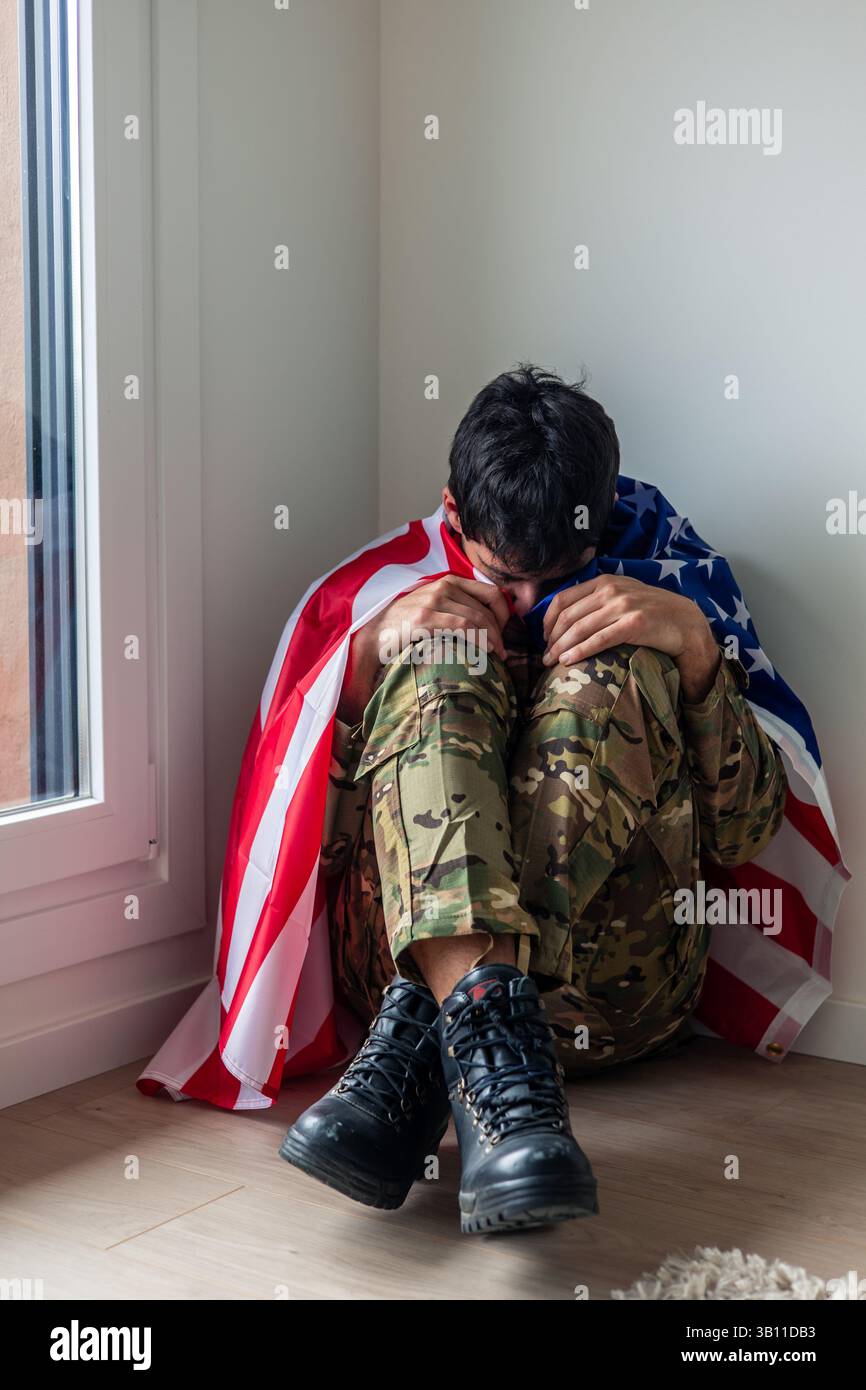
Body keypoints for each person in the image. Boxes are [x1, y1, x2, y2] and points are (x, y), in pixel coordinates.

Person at [279, 363, 789, 1234]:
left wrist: (697, 654)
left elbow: (744, 836)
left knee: (619, 663)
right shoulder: (374, 596)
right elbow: (311, 858)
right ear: (453, 515)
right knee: (439, 656)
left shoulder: (679, 582)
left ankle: (438, 1036)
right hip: (389, 963)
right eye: (502, 577)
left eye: (558, 577)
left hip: (610, 1000)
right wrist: (365, 662)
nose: (527, 605)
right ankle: (501, 1083)